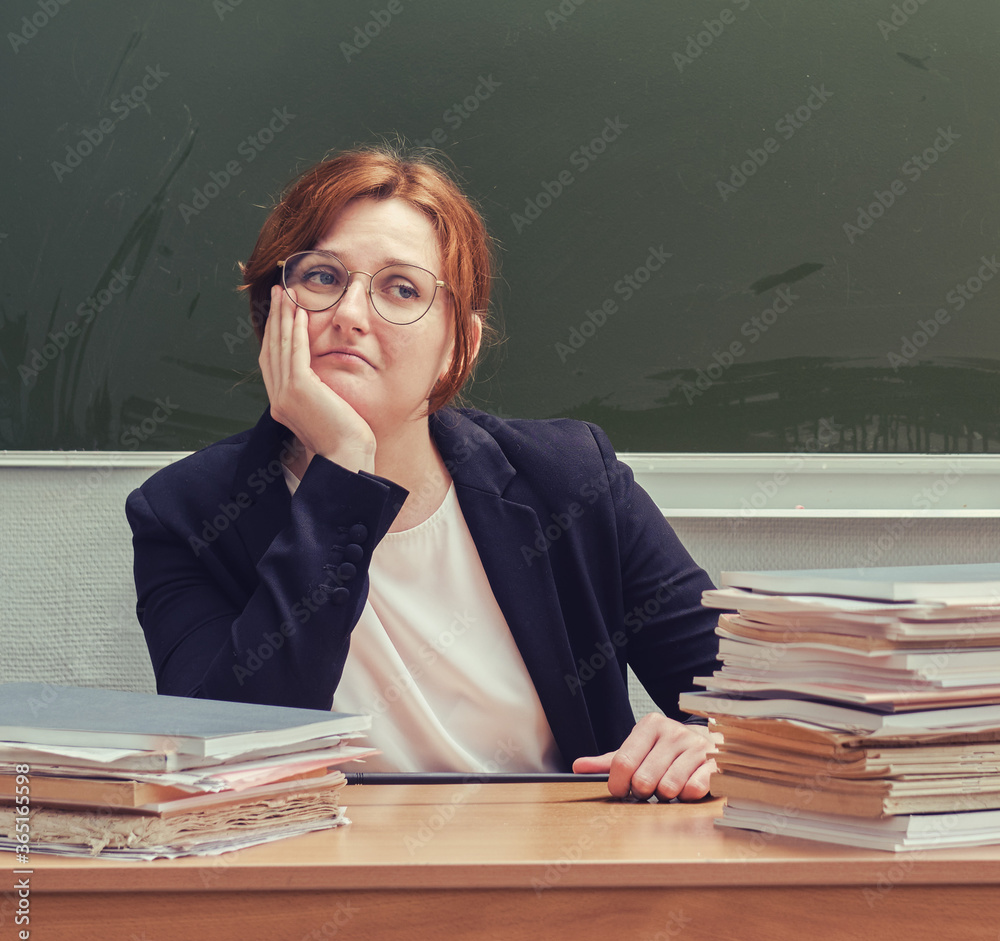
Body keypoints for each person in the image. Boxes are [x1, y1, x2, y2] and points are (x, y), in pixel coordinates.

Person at [126, 146, 720, 801]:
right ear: (274, 311)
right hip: (320, 886)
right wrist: (342, 471)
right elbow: (228, 764)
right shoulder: (184, 515)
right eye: (323, 277)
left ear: (456, 348)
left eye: (400, 288)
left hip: (560, 879)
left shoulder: (571, 479)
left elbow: (761, 713)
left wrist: (711, 744)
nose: (350, 313)